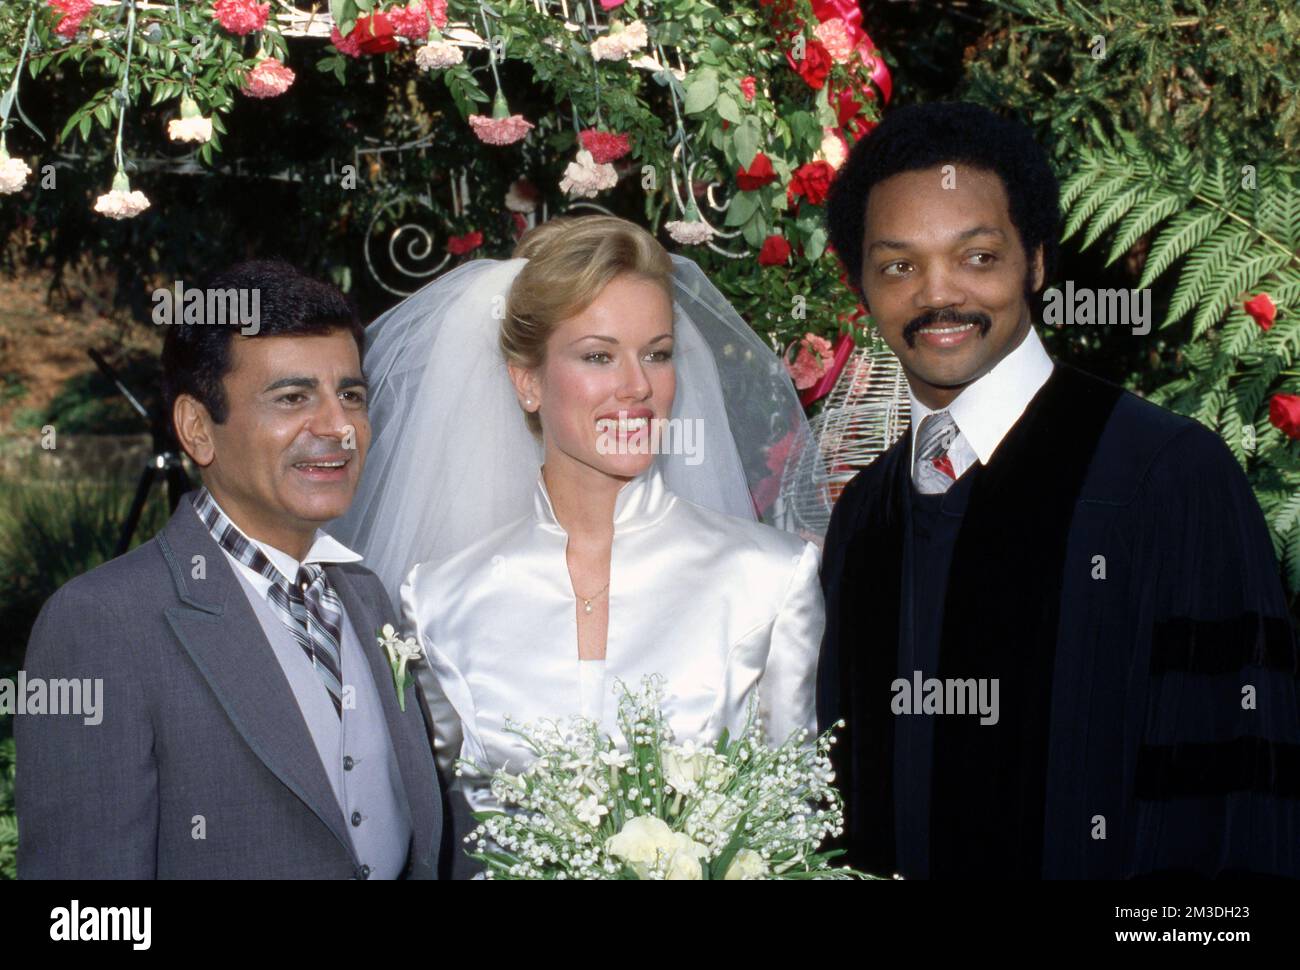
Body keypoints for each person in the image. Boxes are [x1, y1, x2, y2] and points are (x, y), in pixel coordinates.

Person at [816, 101, 1299, 879]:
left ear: (1036, 261)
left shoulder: (1164, 476)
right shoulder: (867, 515)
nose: (939, 296)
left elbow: (1237, 801)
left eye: (977, 257)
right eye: (899, 265)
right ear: (859, 284)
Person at [331, 215, 828, 878]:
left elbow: (789, 831)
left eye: (656, 353)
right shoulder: (440, 600)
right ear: (527, 381)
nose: (637, 386)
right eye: (598, 356)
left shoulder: (769, 580)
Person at [16, 259, 442, 879]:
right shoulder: (102, 623)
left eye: (350, 395)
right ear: (197, 428)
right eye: (293, 397)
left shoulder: (367, 595)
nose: (338, 428)